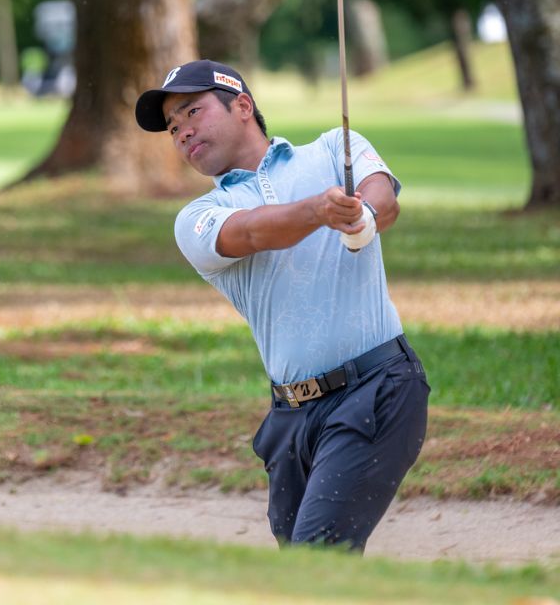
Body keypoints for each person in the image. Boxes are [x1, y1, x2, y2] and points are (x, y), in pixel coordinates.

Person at [135, 59, 429, 553]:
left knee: (318, 560)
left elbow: (383, 193)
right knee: (300, 573)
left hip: (377, 388)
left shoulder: (334, 148)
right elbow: (252, 232)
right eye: (172, 128)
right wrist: (320, 210)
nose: (182, 132)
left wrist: (366, 218)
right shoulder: (199, 217)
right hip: (290, 417)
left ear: (243, 106)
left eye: (192, 113)